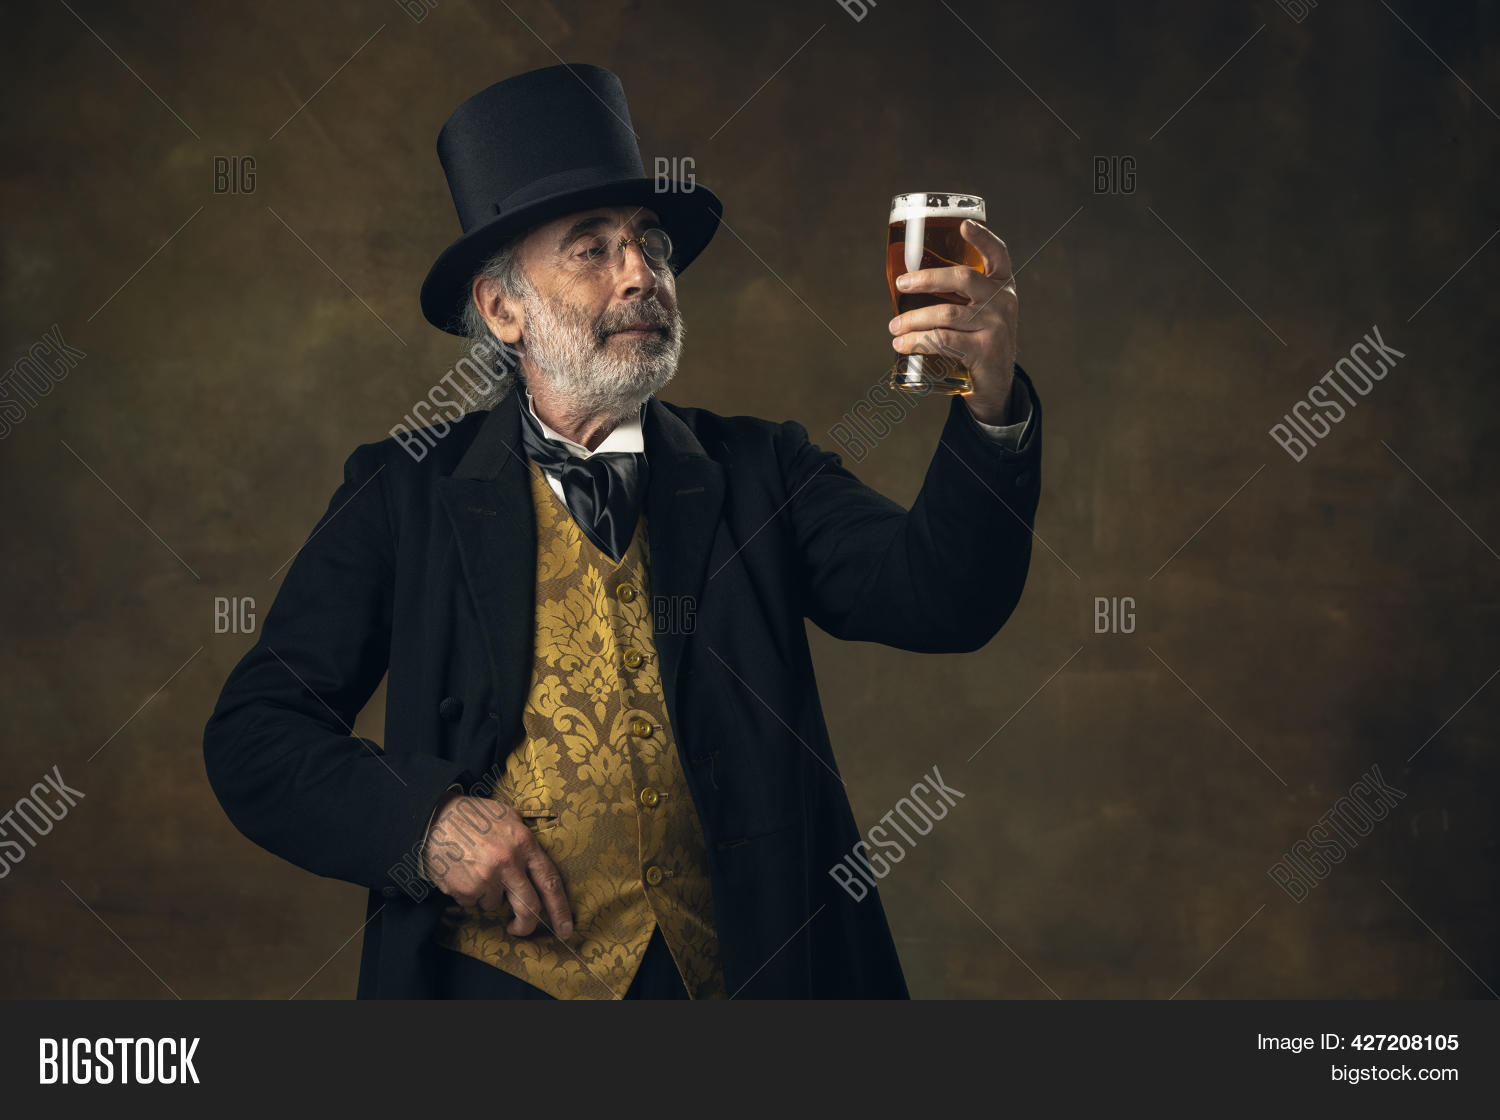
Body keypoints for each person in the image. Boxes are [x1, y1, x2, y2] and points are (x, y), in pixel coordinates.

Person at [203, 62, 1042, 999]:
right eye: (592, 249)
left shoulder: (762, 471)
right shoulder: (403, 494)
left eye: (651, 245)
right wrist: (423, 826)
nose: (641, 272)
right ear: (503, 308)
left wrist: (991, 399)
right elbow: (254, 736)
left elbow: (945, 599)